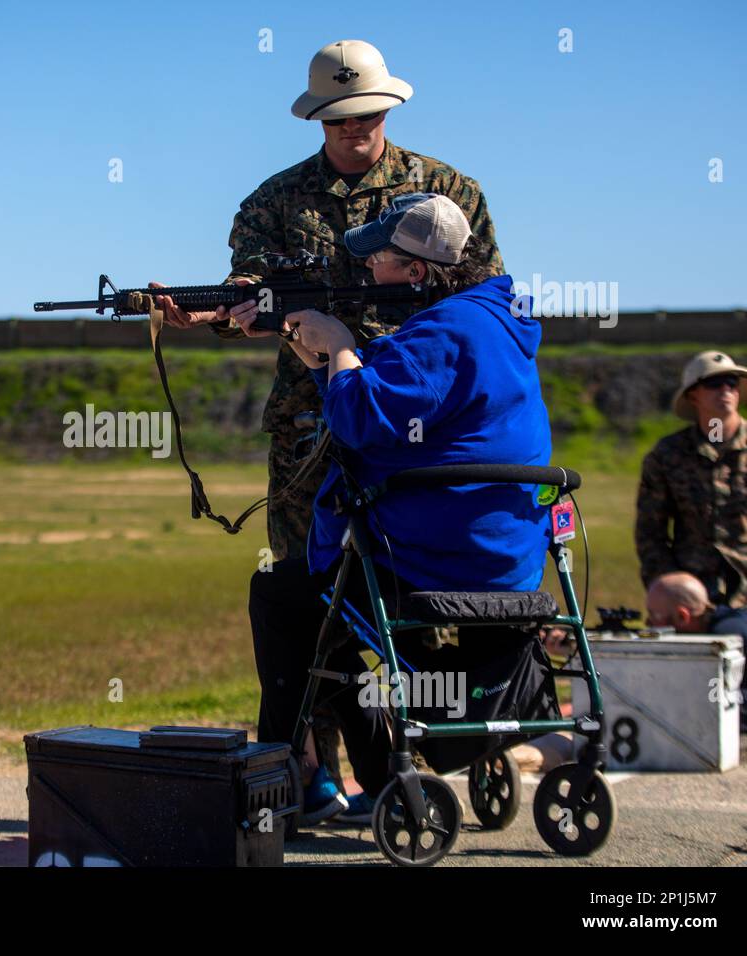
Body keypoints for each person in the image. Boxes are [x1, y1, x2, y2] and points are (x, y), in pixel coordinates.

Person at [151, 37, 505, 791]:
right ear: (317, 118)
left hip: (423, 419)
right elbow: (249, 291)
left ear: (387, 107)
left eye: (367, 113)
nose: (355, 128)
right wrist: (215, 312)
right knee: (308, 590)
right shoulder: (273, 201)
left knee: (423, 589)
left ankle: (452, 741)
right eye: (340, 116)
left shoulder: (450, 190)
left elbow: (486, 304)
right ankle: (316, 767)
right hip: (314, 426)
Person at [243, 193, 551, 822]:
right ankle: (377, 773)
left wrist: (340, 344)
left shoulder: (445, 329)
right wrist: (328, 350)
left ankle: (290, 785)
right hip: (503, 563)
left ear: (414, 273)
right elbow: (401, 382)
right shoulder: (492, 322)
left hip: (438, 565)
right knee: (317, 612)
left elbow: (362, 417)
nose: (368, 274)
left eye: (379, 261)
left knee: (283, 597)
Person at [635, 351, 747, 616]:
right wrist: (671, 589)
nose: (726, 390)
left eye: (732, 382)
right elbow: (651, 534)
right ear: (693, 395)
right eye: (714, 384)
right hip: (695, 600)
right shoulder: (667, 456)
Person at [645, 572, 747, 732]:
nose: (648, 624)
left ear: (682, 616)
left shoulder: (724, 637)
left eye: (654, 616)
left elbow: (707, 693)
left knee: (706, 705)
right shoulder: (720, 621)